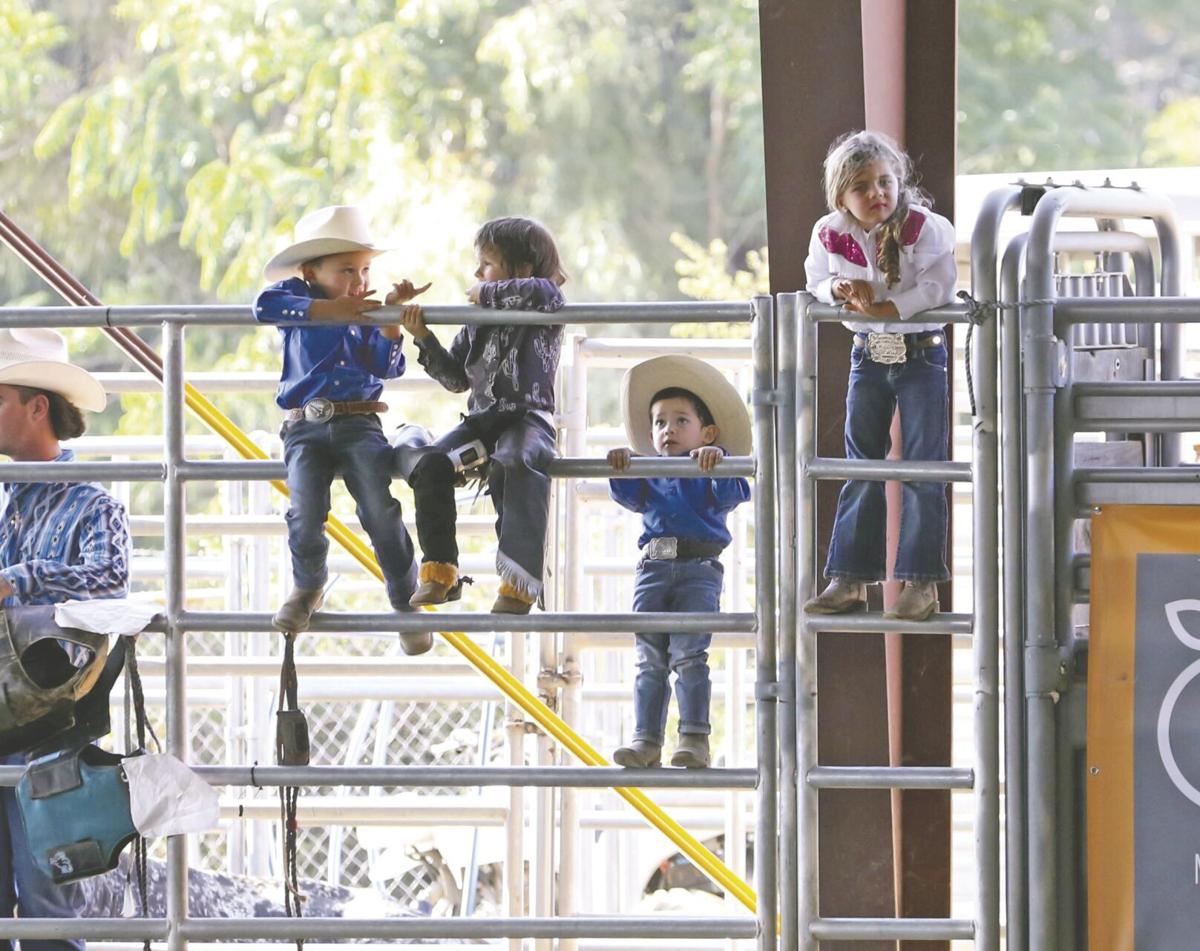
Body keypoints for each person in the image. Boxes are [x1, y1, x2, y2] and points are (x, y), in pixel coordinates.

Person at [0, 327, 131, 950]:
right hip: (27, 718)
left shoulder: (93, 504)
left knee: (47, 890)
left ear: (36, 406)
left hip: (52, 724)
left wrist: (17, 580)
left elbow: (110, 583)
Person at [255, 204, 432, 655]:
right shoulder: (295, 297)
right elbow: (265, 305)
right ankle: (307, 587)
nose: (358, 282)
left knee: (379, 507)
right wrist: (332, 310)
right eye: (346, 270)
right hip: (304, 424)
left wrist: (391, 323)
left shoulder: (368, 313)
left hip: (359, 420)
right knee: (305, 509)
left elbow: (385, 367)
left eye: (365, 270)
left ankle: (405, 600)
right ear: (311, 271)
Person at [802, 130, 957, 621]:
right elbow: (815, 277)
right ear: (841, 196)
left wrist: (891, 307)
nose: (878, 194)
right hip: (867, 353)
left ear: (899, 181)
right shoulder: (830, 231)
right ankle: (851, 578)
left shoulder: (925, 227)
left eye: (885, 182)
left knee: (922, 466)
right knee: (861, 463)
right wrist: (836, 288)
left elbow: (939, 285)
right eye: (864, 187)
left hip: (920, 353)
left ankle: (921, 583)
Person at [399, 216, 566, 615]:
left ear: (521, 269)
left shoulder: (544, 303)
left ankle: (518, 583)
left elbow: (545, 290)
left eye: (487, 264)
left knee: (517, 461)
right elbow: (456, 379)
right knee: (431, 464)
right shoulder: (476, 319)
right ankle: (440, 570)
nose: (477, 274)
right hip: (482, 420)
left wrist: (485, 293)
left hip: (528, 417)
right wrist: (424, 337)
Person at [606, 355, 751, 769]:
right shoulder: (649, 470)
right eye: (659, 422)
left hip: (698, 568)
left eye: (680, 420)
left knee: (689, 653)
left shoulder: (713, 467)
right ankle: (646, 739)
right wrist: (623, 466)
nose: (667, 429)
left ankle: (694, 737)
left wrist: (715, 461)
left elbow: (736, 492)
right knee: (649, 656)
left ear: (707, 432)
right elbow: (629, 498)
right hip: (652, 568)